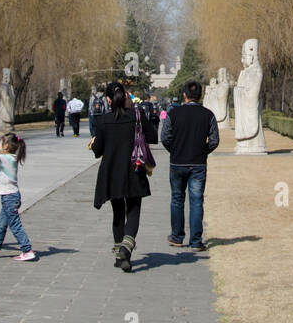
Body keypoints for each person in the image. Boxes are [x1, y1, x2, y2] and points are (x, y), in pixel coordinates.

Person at [90, 81, 156, 272]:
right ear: (125, 97)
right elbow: (153, 136)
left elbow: (97, 149)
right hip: (134, 169)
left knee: (118, 212)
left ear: (108, 100)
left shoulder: (104, 120)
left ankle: (120, 253)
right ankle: (126, 248)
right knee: (133, 210)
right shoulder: (136, 116)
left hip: (112, 172)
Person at [160, 79, 218, 250]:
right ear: (200, 96)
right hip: (198, 163)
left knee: (177, 199)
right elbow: (214, 140)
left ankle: (177, 237)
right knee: (196, 201)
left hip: (177, 162)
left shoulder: (174, 114)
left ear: (184, 95)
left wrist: (175, 149)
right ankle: (195, 241)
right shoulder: (208, 115)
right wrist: (203, 150)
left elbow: (165, 137)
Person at [0, 133, 35, 260]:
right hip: (10, 197)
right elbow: (0, 155)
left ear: (7, 146)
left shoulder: (5, 159)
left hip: (10, 198)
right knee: (1, 224)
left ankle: (27, 249)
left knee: (15, 225)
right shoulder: (11, 157)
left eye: (2, 143)